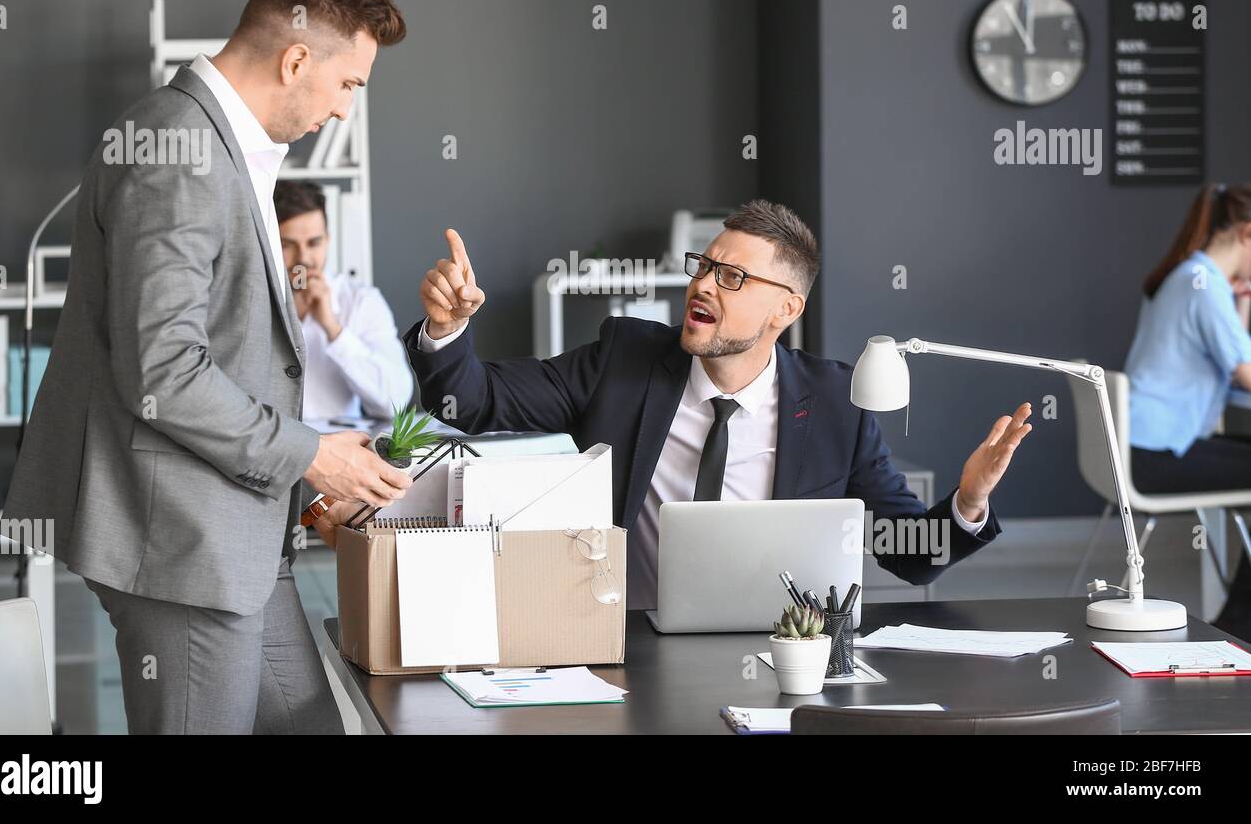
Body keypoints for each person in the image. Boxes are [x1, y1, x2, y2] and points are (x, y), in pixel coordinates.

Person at [1, 0, 413, 734]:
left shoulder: (226, 145)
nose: (343, 111)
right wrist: (314, 453)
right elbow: (167, 370)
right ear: (297, 59)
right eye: (348, 85)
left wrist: (308, 467)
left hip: (239, 537)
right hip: (181, 549)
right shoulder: (178, 148)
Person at [377, 199, 1033, 611]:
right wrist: (446, 330)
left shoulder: (836, 401)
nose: (703, 283)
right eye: (704, 265)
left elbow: (905, 553)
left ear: (786, 308)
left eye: (733, 276)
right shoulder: (625, 358)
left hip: (782, 653)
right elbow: (473, 401)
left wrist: (967, 503)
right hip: (626, 644)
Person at [1126, 182, 1251, 637]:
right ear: (1247, 234)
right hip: (1156, 458)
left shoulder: (1189, 276)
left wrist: (1241, 303)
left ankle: (1239, 620)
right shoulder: (1203, 287)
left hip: (1140, 447)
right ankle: (1240, 624)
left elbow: (1231, 357)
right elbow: (1245, 372)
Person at [274, 180, 413, 421]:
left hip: (343, 451)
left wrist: (333, 329)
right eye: (287, 245)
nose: (304, 258)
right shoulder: (248, 301)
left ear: (327, 239)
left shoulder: (362, 301)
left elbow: (395, 402)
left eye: (314, 243)